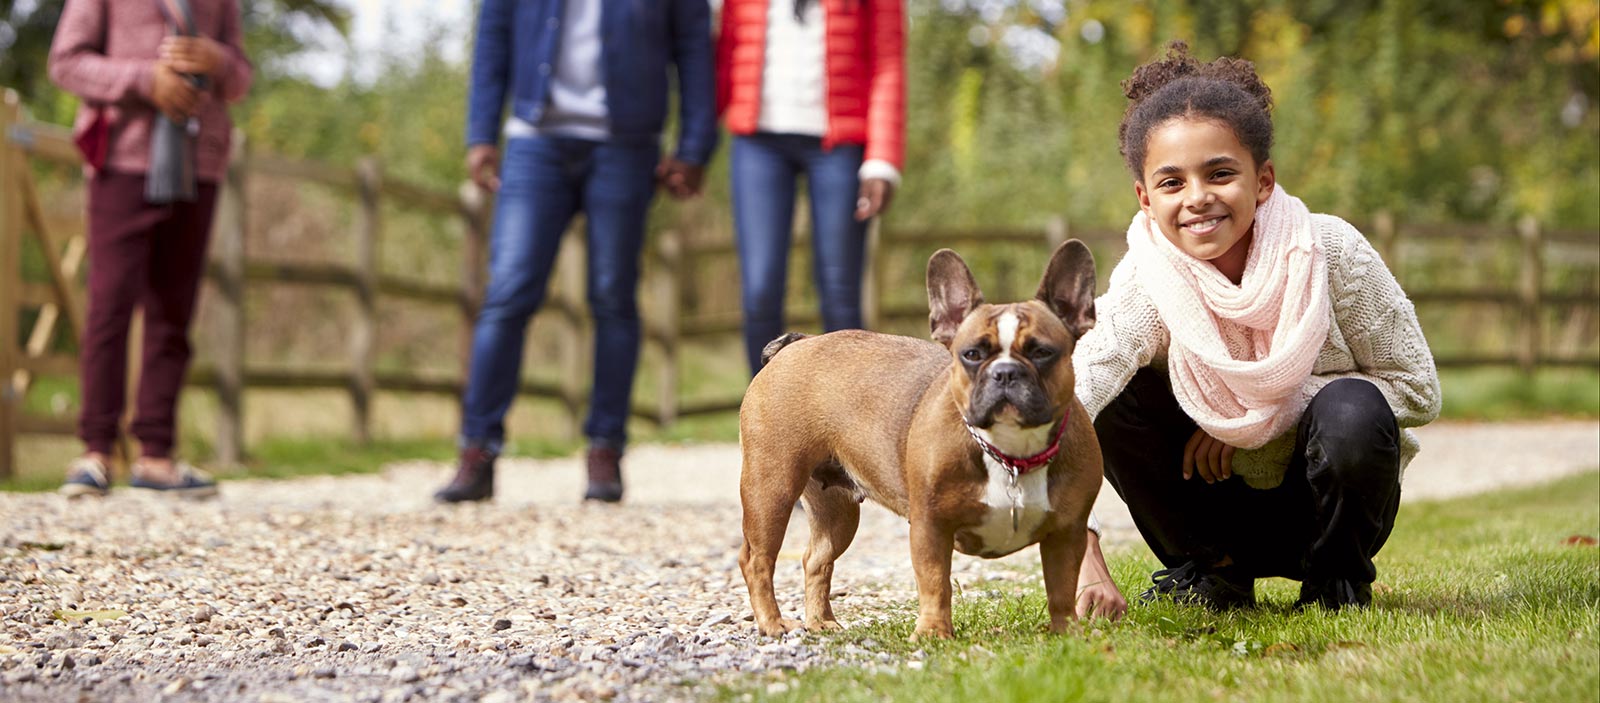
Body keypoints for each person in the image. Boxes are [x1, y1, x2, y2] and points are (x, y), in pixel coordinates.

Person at [1072, 41, 1442, 617]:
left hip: (1323, 507)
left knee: (1353, 405)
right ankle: (1211, 574)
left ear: (1262, 179)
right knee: (1117, 394)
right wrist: (1082, 542)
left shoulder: (1331, 251)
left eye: (1220, 173)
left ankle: (1336, 583)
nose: (1198, 198)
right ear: (1145, 198)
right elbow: (1071, 399)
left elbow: (1417, 386)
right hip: (1208, 505)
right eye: (1172, 183)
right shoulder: (1144, 285)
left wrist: (1257, 416)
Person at [433, 0, 718, 504]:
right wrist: (480, 133)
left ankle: (605, 449)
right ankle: (477, 450)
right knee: (510, 291)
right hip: (534, 139)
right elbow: (494, 34)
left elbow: (695, 47)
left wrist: (695, 145)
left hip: (627, 143)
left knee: (612, 294)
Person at [49, 0, 253, 498]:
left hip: (198, 161)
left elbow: (241, 78)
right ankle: (96, 451)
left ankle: (156, 455)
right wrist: (145, 80)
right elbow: (65, 62)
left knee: (174, 310)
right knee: (109, 303)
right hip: (123, 159)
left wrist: (217, 60)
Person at [716, 0, 906, 374]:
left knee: (840, 292)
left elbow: (888, 60)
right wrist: (695, 144)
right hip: (758, 141)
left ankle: (846, 421)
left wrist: (882, 159)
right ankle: (765, 418)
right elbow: (724, 48)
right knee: (759, 292)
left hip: (840, 145)